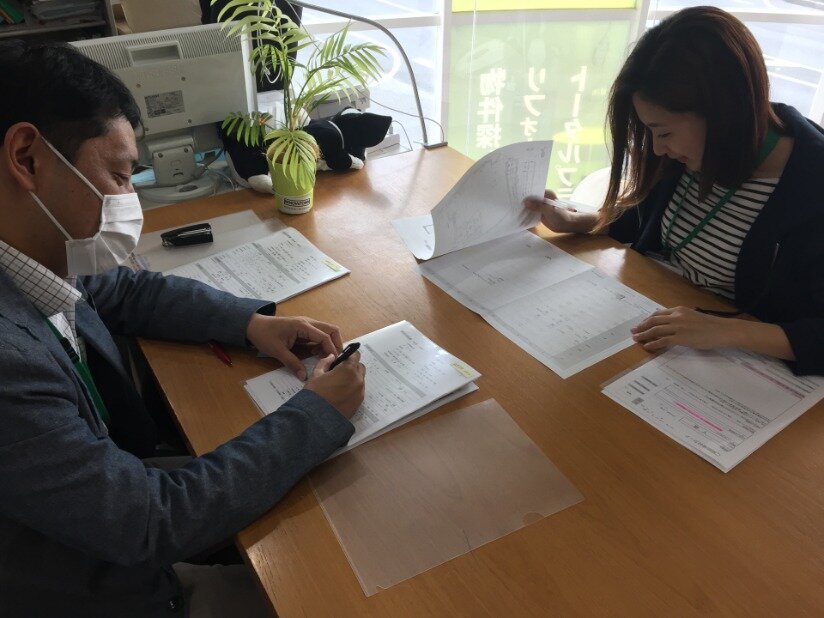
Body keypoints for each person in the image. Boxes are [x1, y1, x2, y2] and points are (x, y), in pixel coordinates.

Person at [0, 39, 365, 616]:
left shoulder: (30, 250)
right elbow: (149, 521)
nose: (131, 199)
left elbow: (126, 290)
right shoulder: (7, 364)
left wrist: (250, 323)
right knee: (329, 582)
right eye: (119, 175)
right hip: (97, 585)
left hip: (104, 503)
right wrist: (316, 413)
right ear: (26, 159)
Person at [525, 5, 824, 375]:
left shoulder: (810, 183)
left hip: (741, 367)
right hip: (657, 323)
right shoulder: (688, 155)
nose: (656, 149)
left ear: (724, 112)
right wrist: (582, 222)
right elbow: (646, 219)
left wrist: (729, 331)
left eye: (664, 132)